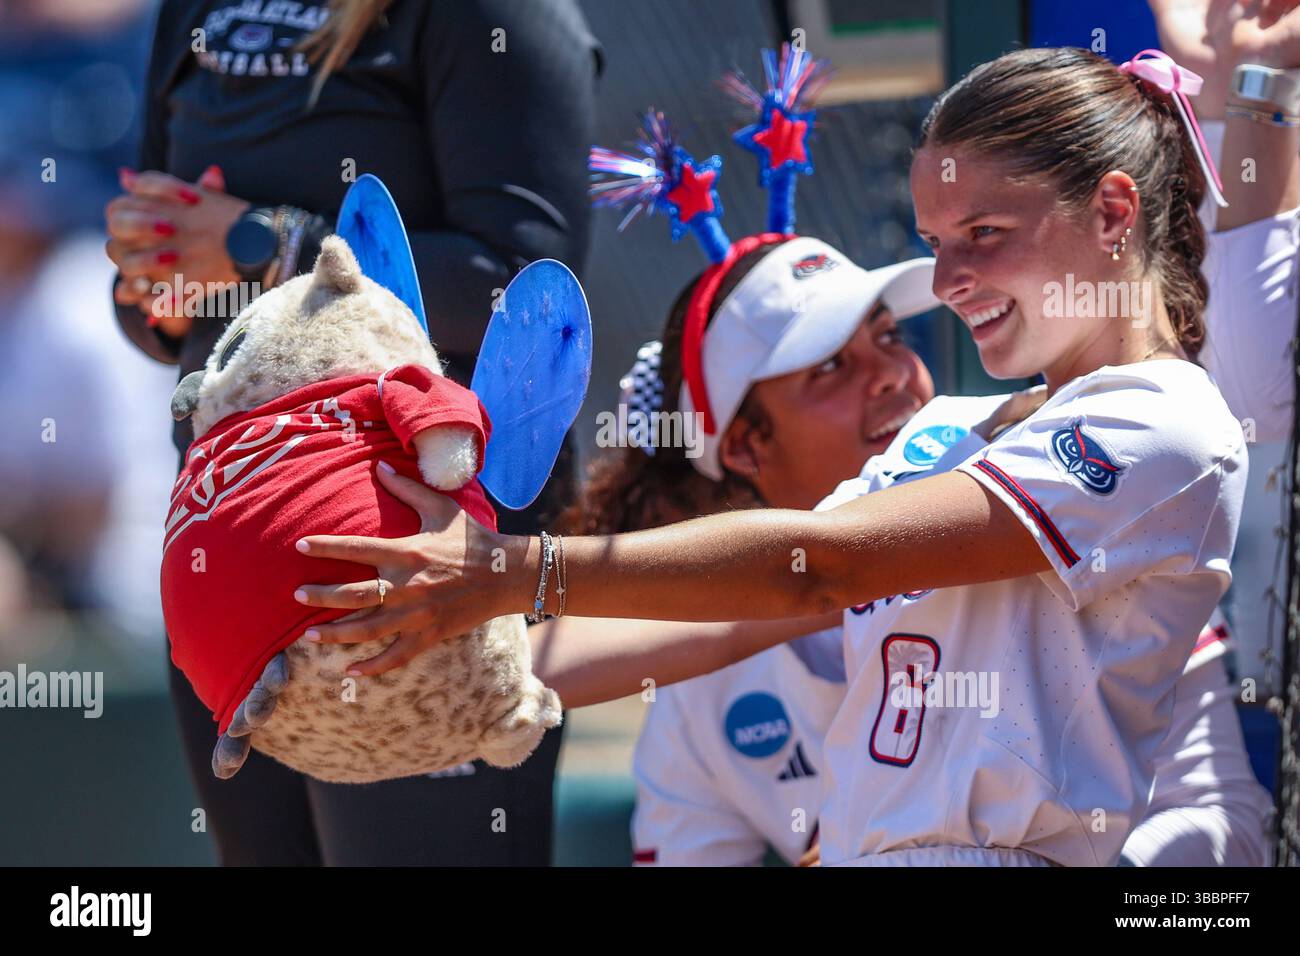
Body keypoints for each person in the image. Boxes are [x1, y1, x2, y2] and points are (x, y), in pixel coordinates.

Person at [293, 47, 1259, 866]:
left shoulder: (1162, 420)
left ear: (1114, 212)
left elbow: (822, 565)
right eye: (935, 242)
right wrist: (360, 660)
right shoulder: (952, 432)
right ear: (742, 443)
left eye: (985, 236)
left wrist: (511, 574)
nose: (951, 283)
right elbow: (733, 616)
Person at [105, 0, 600, 866]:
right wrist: (158, 277)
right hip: (230, 573)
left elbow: (523, 280)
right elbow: (181, 311)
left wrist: (271, 244)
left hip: (419, 564)